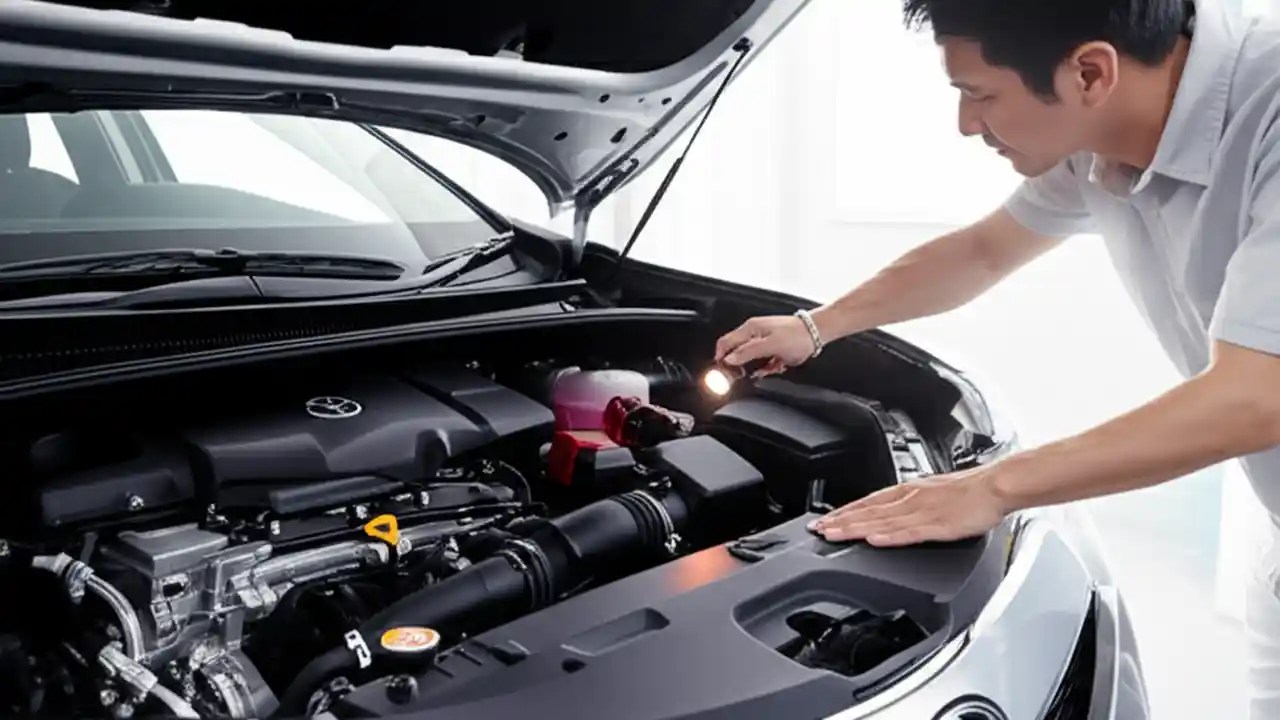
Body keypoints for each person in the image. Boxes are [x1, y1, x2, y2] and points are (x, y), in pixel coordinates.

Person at [714, 0, 1280, 714]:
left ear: (1089, 71)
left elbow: (1258, 395)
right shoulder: (1101, 126)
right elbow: (984, 251)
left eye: (979, 94)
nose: (966, 123)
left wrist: (991, 487)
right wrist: (818, 327)